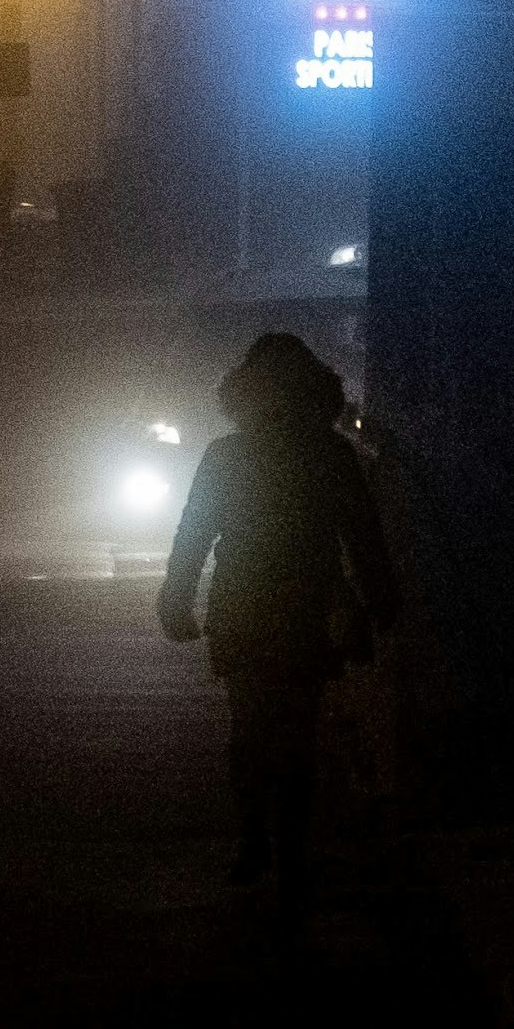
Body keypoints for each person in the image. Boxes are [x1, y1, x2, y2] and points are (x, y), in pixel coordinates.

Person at [157, 332, 398, 916]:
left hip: (241, 604)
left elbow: (195, 534)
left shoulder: (226, 454)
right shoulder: (331, 454)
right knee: (297, 735)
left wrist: (176, 597)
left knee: (250, 730)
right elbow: (363, 538)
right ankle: (288, 850)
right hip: (306, 606)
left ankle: (253, 839)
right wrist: (379, 605)